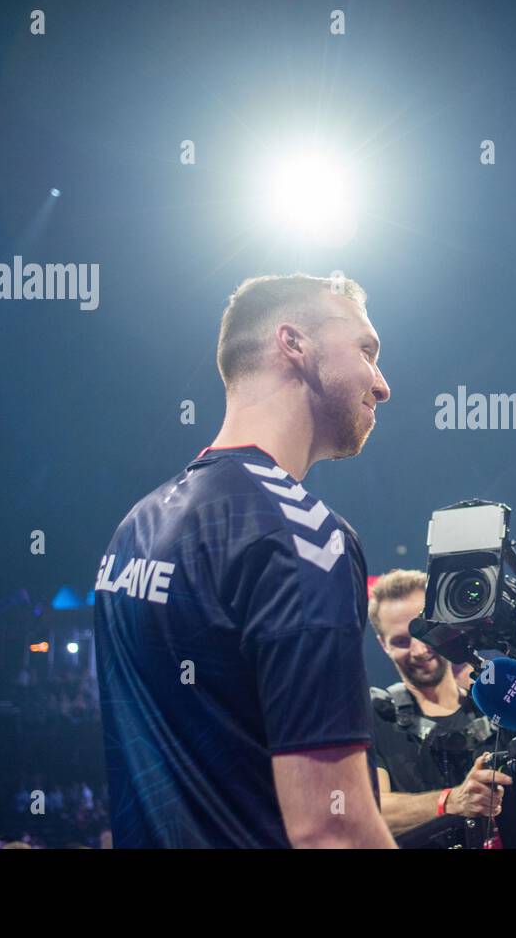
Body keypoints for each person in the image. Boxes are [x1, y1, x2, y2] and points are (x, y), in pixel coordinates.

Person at [94, 273, 395, 848]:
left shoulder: (136, 526)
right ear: (295, 343)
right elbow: (333, 830)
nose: (382, 385)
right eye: (367, 350)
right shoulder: (303, 535)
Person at [366, 569, 516, 847]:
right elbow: (370, 809)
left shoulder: (497, 709)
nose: (418, 650)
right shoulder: (375, 715)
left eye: (423, 632)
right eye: (401, 641)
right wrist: (450, 801)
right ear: (383, 645)